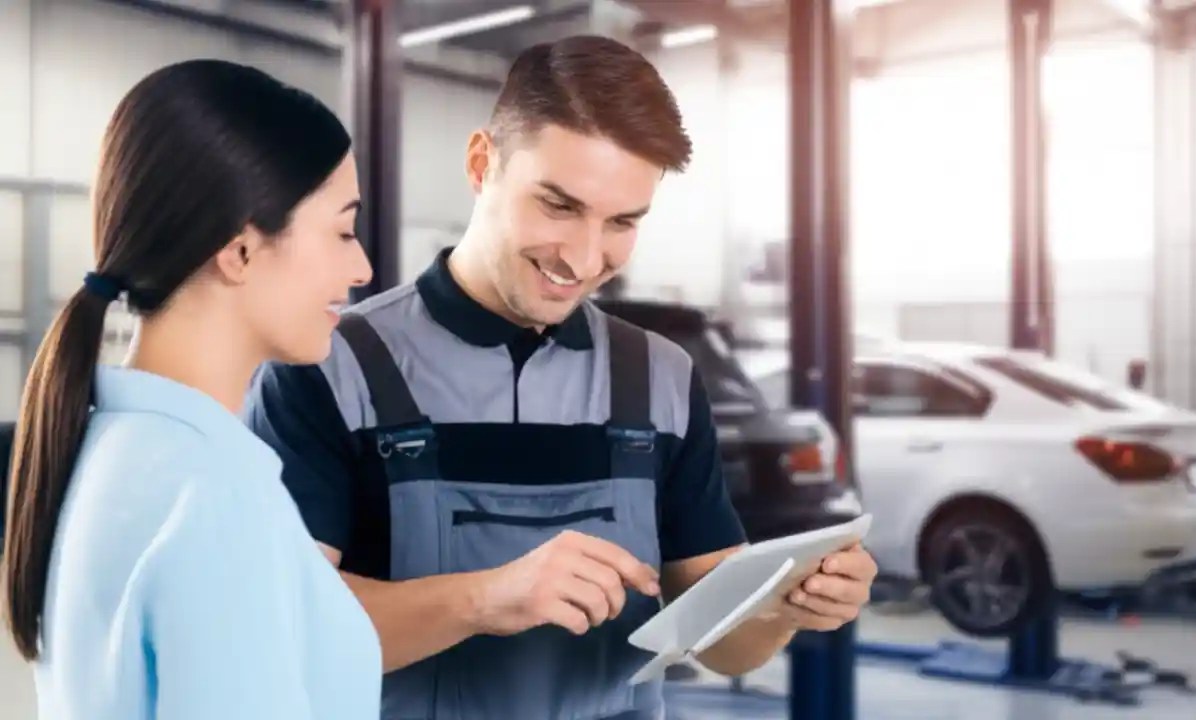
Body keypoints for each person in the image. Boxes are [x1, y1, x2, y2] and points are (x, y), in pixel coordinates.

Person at [245, 35, 876, 720]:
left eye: (622, 222)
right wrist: (487, 598)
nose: (583, 257)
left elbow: (721, 646)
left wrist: (786, 606)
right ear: (482, 163)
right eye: (559, 206)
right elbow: (286, 632)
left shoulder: (661, 377)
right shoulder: (328, 367)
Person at [1, 59, 381, 720]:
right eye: (343, 231)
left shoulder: (109, 444)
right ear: (238, 252)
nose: (362, 267)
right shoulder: (213, 491)